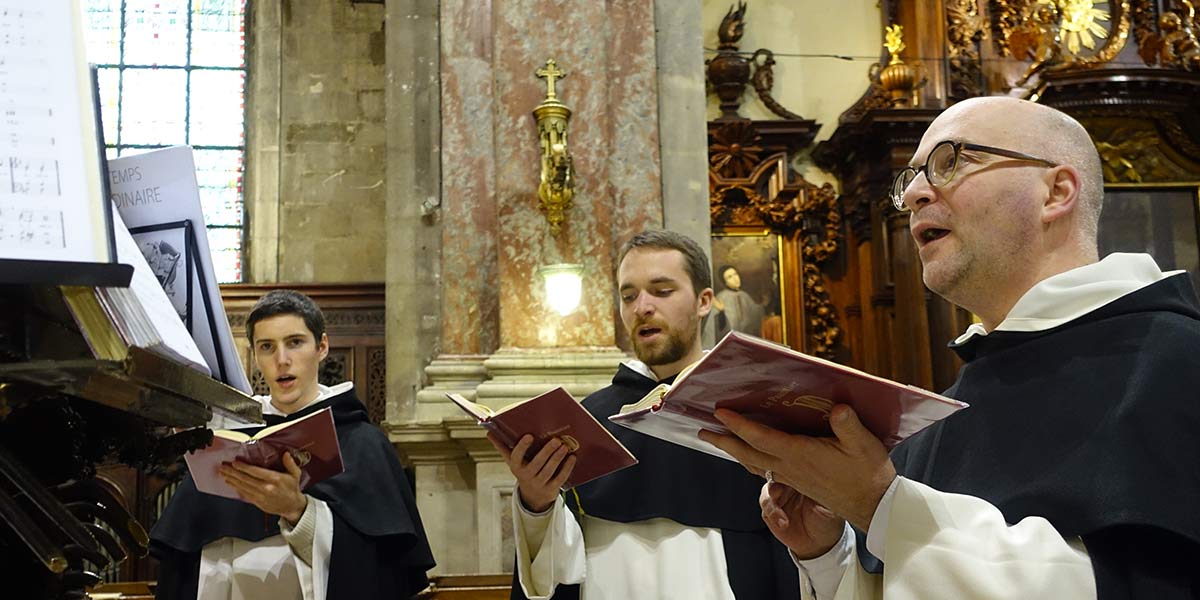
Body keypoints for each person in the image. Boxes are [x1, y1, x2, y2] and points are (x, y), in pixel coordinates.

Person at [702, 96, 1200, 599]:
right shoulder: (959, 400)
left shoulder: (1176, 365)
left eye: (950, 161)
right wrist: (829, 554)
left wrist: (880, 505)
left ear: (1055, 191)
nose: (915, 194)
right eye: (912, 177)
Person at [495, 230, 799, 599]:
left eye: (662, 291)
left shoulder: (754, 416)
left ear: (705, 301)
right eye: (629, 295)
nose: (642, 307)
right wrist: (535, 504)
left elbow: (795, 555)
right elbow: (555, 568)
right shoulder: (589, 420)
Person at [151, 290, 436, 599]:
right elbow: (186, 562)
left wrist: (297, 510)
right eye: (267, 347)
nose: (282, 360)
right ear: (256, 355)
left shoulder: (364, 444)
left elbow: (382, 569)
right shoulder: (225, 442)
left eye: (295, 343)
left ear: (322, 347)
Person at [712, 264, 765, 338]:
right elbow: (717, 326)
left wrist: (765, 304)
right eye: (729, 277)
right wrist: (721, 312)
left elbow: (756, 314)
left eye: (735, 274)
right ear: (725, 282)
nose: (735, 279)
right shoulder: (722, 297)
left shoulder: (744, 295)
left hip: (747, 338)